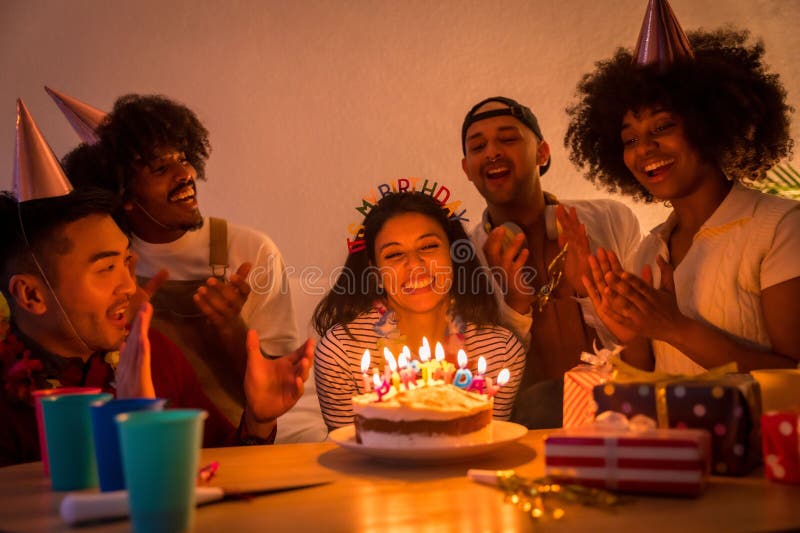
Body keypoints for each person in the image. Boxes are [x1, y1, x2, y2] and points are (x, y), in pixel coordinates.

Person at [60, 94, 324, 441]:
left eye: (183, 159)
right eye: (160, 168)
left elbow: (278, 387)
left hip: (237, 441)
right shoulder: (107, 271)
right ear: (123, 194)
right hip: (139, 445)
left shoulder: (249, 251)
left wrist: (230, 329)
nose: (185, 174)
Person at [0, 187, 312, 466]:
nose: (129, 286)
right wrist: (138, 422)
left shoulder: (152, 352)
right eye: (106, 268)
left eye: (126, 262)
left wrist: (258, 422)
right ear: (31, 295)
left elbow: (220, 469)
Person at [565, 26, 800, 373]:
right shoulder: (647, 252)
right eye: (630, 139)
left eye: (662, 127)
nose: (644, 148)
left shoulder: (781, 227)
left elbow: (793, 375)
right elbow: (647, 380)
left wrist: (676, 328)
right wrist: (632, 336)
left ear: (712, 124)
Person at [460, 96, 642, 427]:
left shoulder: (612, 221)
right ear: (467, 169)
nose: (492, 152)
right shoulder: (465, 258)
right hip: (522, 432)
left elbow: (646, 350)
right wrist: (513, 307)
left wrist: (589, 290)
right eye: (478, 146)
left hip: (622, 419)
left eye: (508, 138)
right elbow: (480, 383)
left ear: (542, 153)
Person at [313, 192, 525, 430]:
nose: (415, 264)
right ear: (375, 273)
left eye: (428, 246)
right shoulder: (341, 353)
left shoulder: (500, 351)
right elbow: (349, 452)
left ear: (455, 255)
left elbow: (486, 444)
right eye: (394, 254)